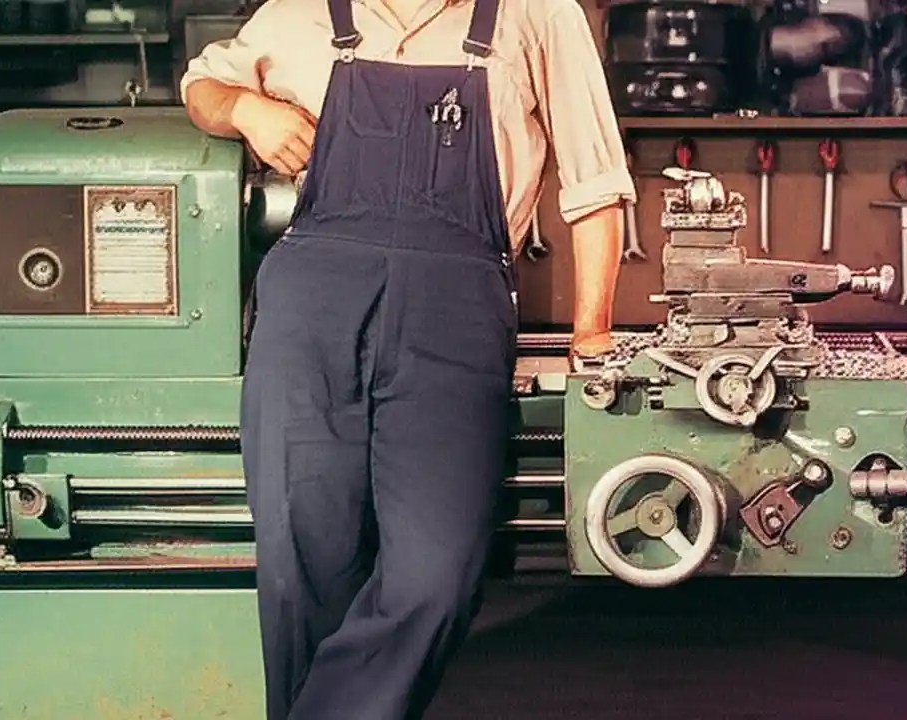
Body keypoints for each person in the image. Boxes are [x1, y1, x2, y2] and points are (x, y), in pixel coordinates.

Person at [180, 0, 633, 717]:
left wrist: (592, 337)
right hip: (311, 307)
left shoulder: (537, 12)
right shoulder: (297, 11)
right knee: (304, 574)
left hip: (455, 311)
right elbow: (200, 85)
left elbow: (596, 186)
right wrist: (243, 109)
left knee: (437, 576)